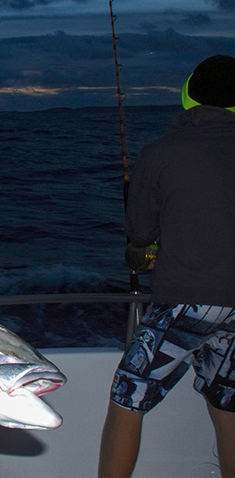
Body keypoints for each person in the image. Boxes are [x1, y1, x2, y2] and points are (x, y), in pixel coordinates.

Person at [97, 54, 235, 478]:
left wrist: (142, 252)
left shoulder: (160, 153)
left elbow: (140, 236)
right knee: (228, 401)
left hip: (188, 301)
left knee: (128, 395)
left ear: (188, 95)